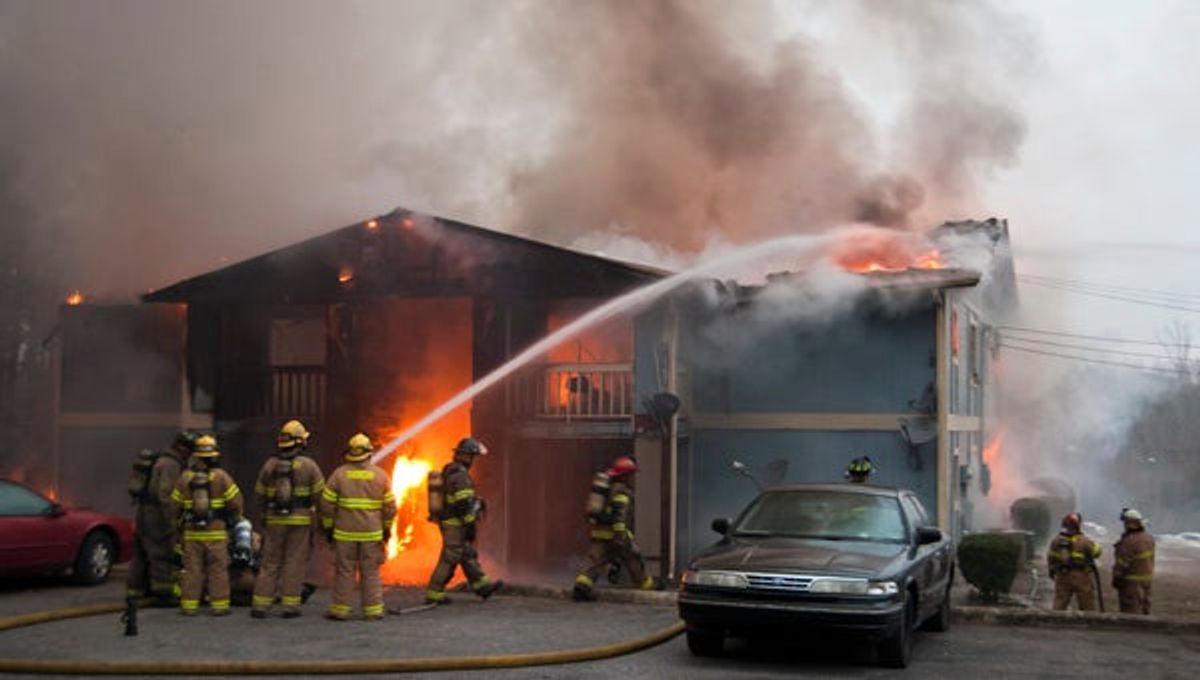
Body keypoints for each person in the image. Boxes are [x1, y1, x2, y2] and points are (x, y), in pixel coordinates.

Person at [250, 420, 326, 619]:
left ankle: (260, 605)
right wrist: (323, 521)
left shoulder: (270, 465)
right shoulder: (309, 466)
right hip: (300, 523)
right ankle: (290, 606)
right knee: (294, 562)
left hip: (274, 521)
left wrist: (264, 515)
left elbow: (259, 495)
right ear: (300, 442)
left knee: (270, 562)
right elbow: (321, 496)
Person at [319, 433, 395, 621]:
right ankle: (373, 610)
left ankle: (340, 610)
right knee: (370, 571)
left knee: (344, 571)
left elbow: (326, 505)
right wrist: (386, 529)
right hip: (371, 534)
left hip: (345, 534)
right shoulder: (380, 476)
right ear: (369, 453)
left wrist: (329, 527)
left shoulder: (339, 474)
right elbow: (390, 508)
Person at [170, 434, 244, 616]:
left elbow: (174, 506)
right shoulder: (222, 477)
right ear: (214, 455)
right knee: (217, 570)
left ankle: (189, 606)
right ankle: (219, 606)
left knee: (192, 571)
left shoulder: (185, 477)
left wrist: (178, 526)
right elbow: (236, 503)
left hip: (192, 534)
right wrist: (234, 520)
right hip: (216, 533)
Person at [425, 437, 503, 605]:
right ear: (465, 456)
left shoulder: (452, 470)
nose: (474, 460)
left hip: (453, 520)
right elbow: (462, 502)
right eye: (473, 457)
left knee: (466, 554)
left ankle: (483, 586)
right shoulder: (459, 474)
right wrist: (469, 523)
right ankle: (434, 593)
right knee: (450, 558)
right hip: (455, 523)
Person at [573, 455, 655, 601]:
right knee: (633, 558)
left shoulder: (606, 488)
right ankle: (646, 584)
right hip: (615, 534)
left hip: (599, 533)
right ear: (625, 476)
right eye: (631, 475)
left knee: (593, 563)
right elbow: (620, 515)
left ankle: (581, 587)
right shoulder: (622, 491)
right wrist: (619, 536)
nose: (633, 478)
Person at [126, 431, 193, 607]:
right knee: (161, 553)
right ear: (182, 448)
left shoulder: (160, 460)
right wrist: (172, 521)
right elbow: (165, 496)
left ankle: (135, 591)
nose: (190, 455)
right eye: (189, 450)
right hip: (156, 515)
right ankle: (163, 593)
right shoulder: (171, 465)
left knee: (141, 553)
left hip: (143, 512)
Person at [1047, 511, 1102, 611]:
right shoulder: (1084, 540)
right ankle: (1089, 623)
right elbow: (1097, 552)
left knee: (1060, 602)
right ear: (1078, 525)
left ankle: (1055, 622)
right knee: (1087, 603)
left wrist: (1051, 571)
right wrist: (1096, 545)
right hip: (1081, 576)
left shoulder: (1057, 540)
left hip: (1062, 575)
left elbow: (1051, 558)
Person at [1112, 507, 1155, 615]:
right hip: (1146, 584)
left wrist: (1116, 579)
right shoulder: (1149, 539)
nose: (1124, 525)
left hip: (1131, 586)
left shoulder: (1129, 542)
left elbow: (1122, 564)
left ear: (1129, 523)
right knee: (1145, 613)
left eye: (1125, 522)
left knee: (1131, 616)